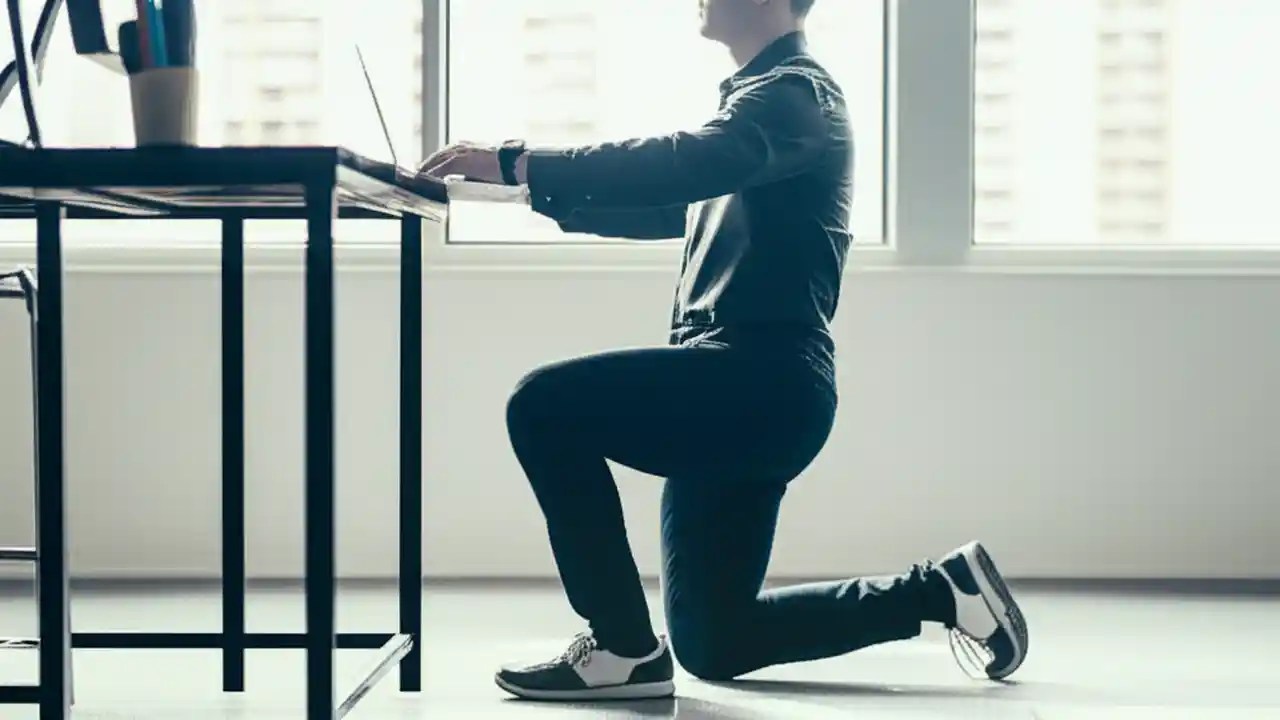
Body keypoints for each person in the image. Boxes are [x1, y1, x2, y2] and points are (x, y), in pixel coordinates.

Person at [417, 0, 1028, 702]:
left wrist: (515, 161)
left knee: (543, 406)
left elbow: (685, 163)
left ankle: (621, 648)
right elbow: (670, 205)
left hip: (758, 383)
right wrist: (517, 190)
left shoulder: (798, 94)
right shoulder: (761, 106)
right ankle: (941, 592)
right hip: (737, 391)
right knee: (715, 638)